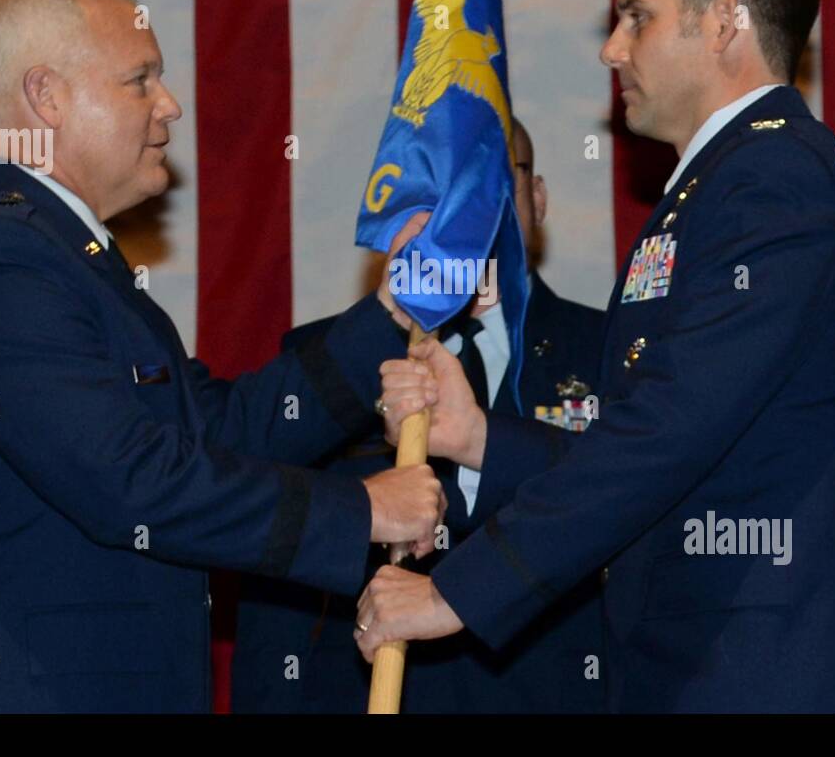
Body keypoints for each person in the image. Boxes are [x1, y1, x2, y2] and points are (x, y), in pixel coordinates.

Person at [356, 0, 835, 712]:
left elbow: (673, 427)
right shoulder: (722, 186)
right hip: (704, 662)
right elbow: (686, 452)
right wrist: (483, 438)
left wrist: (457, 592)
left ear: (725, 21)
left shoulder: (777, 181)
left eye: (638, 18)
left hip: (772, 669)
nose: (612, 49)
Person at [0, 0, 444, 713]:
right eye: (139, 79)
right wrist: (362, 511)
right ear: (46, 97)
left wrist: (392, 311)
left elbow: (223, 432)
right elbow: (129, 481)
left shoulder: (65, 256)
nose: (169, 106)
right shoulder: (4, 259)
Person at [232, 120, 607, 713]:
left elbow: (628, 524)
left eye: (491, 176)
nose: (468, 201)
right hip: (372, 692)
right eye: (443, 183)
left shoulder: (610, 351)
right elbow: (267, 546)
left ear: (536, 198)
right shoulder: (330, 363)